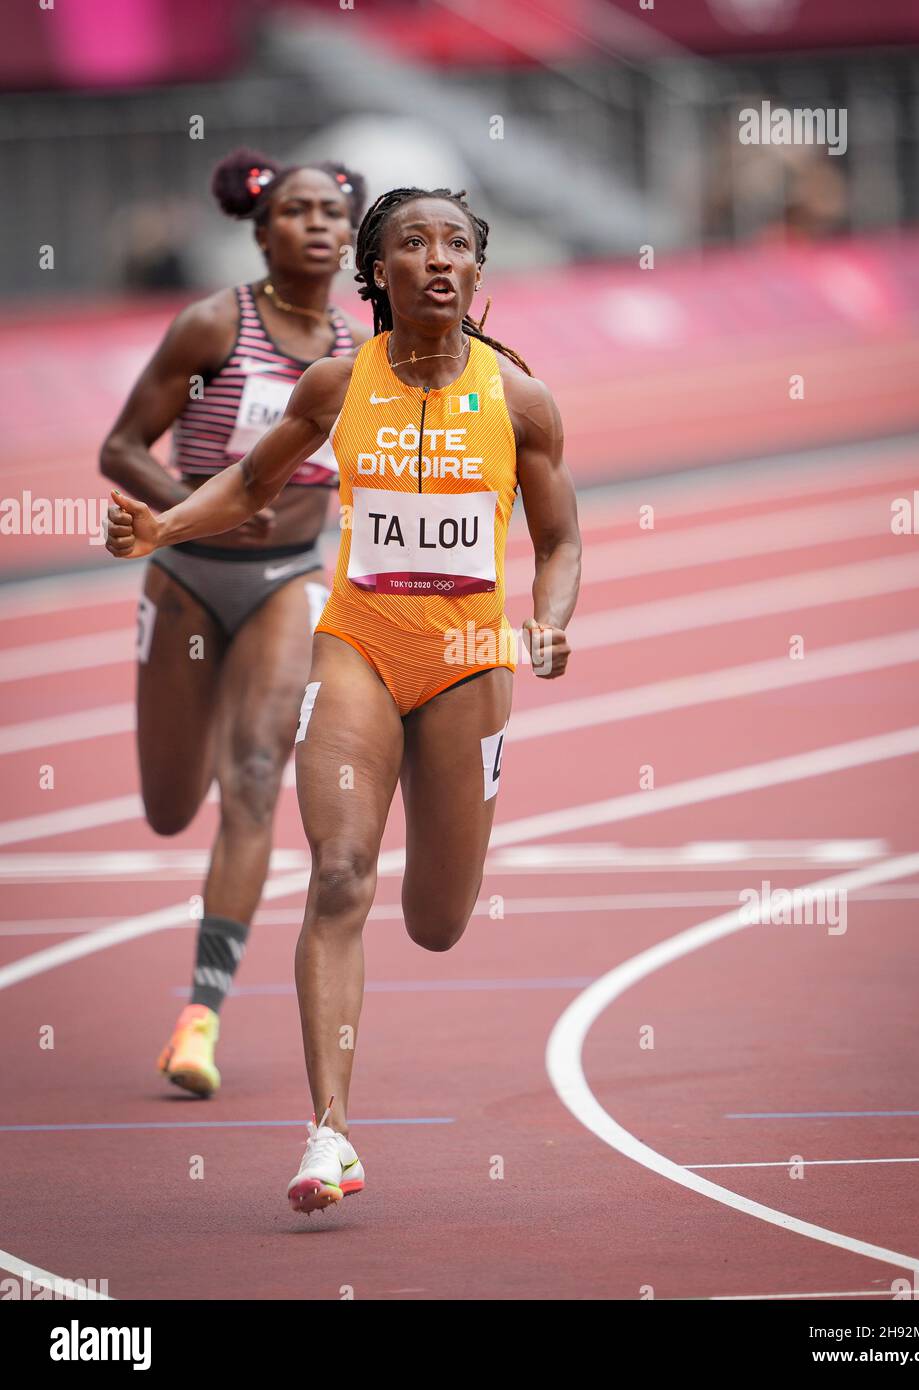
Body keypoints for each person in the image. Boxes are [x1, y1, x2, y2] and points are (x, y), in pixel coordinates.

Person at [105, 186, 582, 1212]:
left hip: (466, 661)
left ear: (479, 273)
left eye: (458, 245)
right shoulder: (334, 382)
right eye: (414, 243)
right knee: (338, 876)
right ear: (378, 275)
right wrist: (164, 526)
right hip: (358, 643)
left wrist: (547, 615)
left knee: (438, 920)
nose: (439, 260)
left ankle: (361, 1052)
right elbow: (247, 486)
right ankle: (330, 1135)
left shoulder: (521, 399)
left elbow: (561, 538)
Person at [99, 147, 367, 1099]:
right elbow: (120, 447)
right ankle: (198, 714)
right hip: (188, 579)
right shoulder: (216, 323)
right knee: (172, 806)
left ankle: (200, 1014)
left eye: (333, 213)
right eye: (297, 211)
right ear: (261, 231)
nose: (319, 226)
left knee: (255, 774)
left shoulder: (357, 354)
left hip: (288, 579)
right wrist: (188, 503)